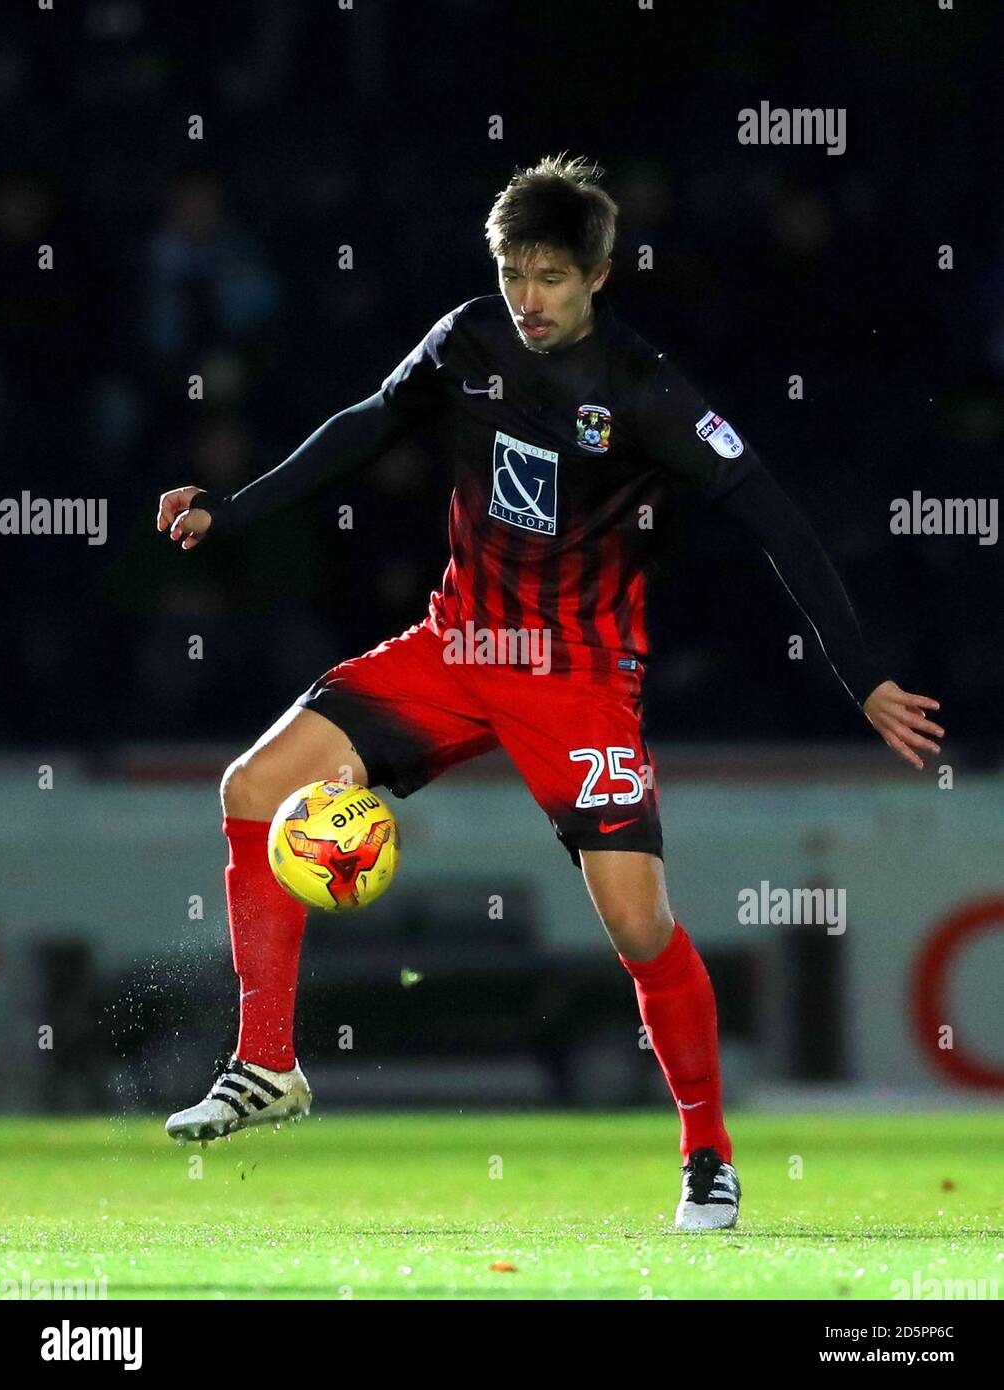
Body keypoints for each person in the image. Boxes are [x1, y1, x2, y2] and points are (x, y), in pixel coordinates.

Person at [156, 154, 943, 1231]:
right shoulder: (467, 338)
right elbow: (369, 420)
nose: (527, 298)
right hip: (455, 645)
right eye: (514, 272)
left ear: (599, 276)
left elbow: (775, 518)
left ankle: (705, 1155)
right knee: (252, 789)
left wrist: (861, 675)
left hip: (575, 679)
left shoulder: (643, 389)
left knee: (634, 923)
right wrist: (232, 509)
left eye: (550, 278)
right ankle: (268, 1064)